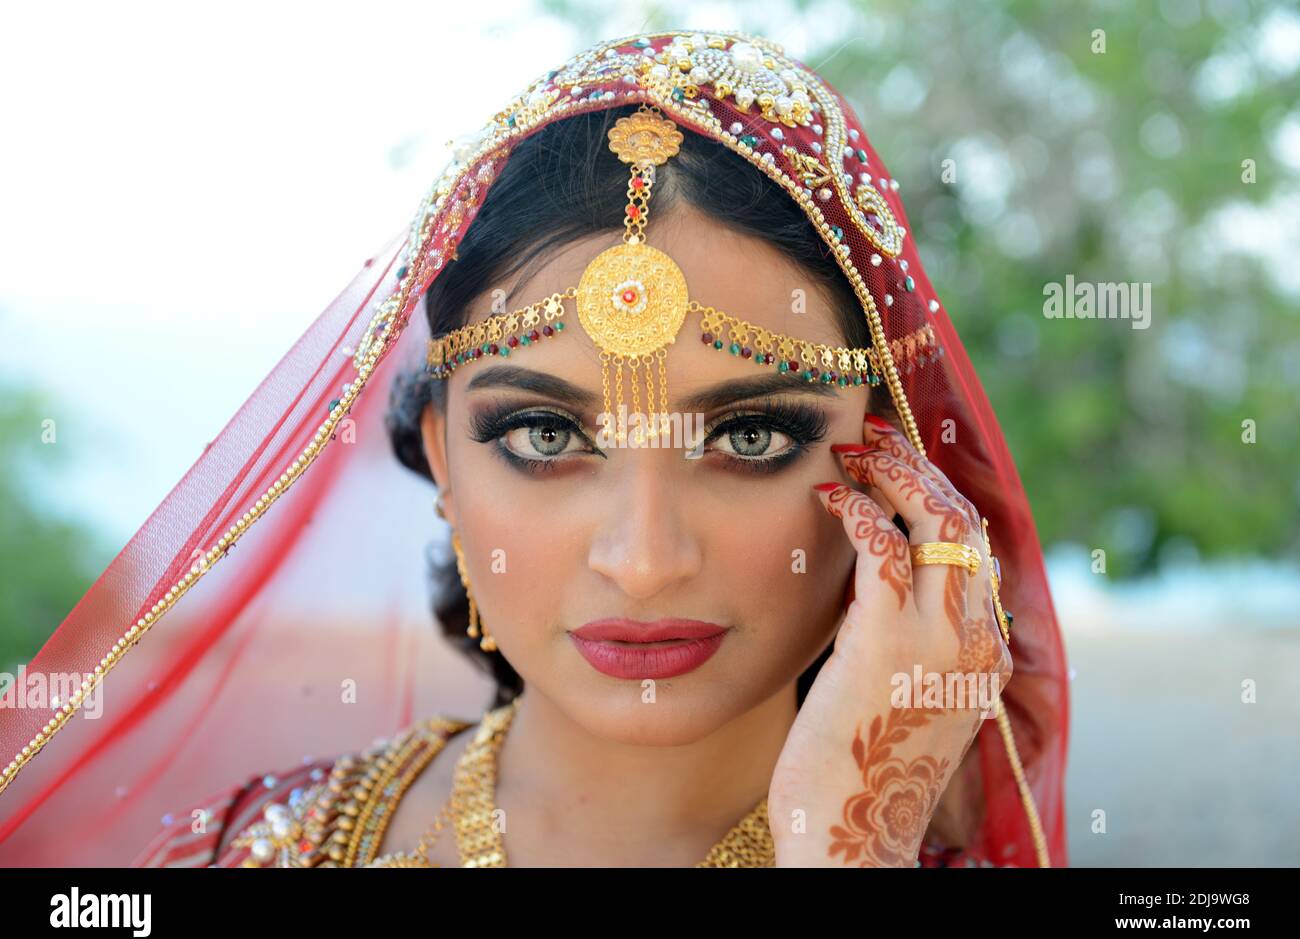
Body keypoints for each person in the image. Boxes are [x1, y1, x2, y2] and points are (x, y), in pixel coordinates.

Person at [0, 29, 1069, 868]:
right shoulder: (252, 852)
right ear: (444, 463)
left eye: (748, 435)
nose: (642, 560)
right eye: (544, 434)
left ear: (896, 476)